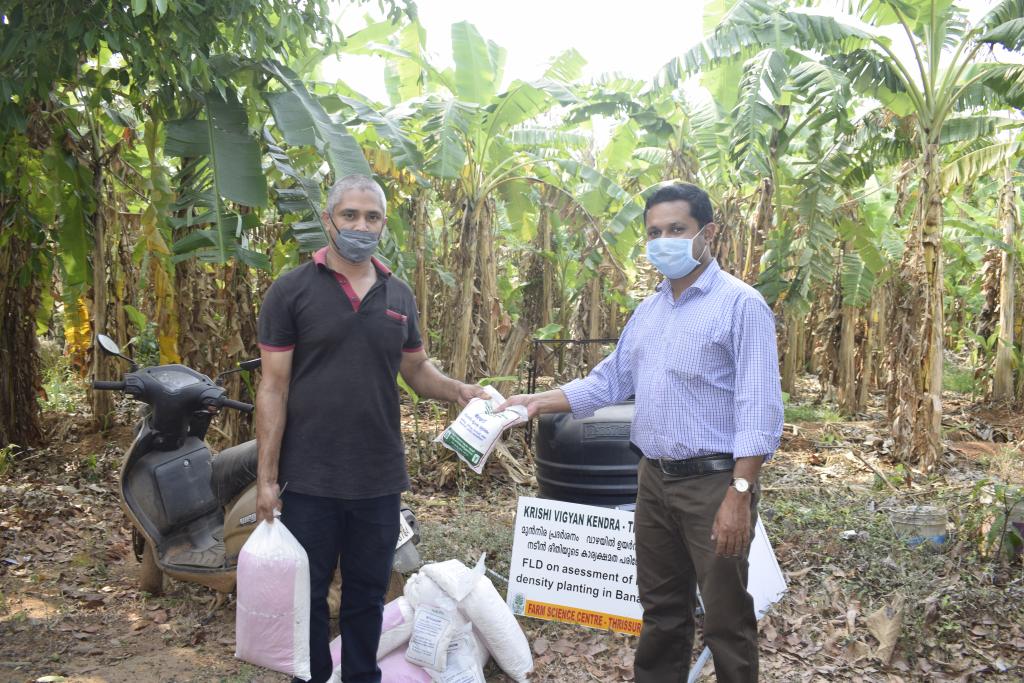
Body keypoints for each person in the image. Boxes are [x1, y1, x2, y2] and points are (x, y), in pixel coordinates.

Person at [501, 183, 783, 683]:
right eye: (654, 232)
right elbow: (608, 381)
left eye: (677, 229)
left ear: (708, 234)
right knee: (661, 611)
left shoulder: (740, 306)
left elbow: (758, 410)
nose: (663, 241)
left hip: (713, 484)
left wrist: (740, 492)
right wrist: (534, 403)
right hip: (652, 480)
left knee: (725, 618)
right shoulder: (650, 311)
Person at [255, 174, 488, 683]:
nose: (361, 226)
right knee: (309, 597)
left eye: (372, 217)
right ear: (328, 220)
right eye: (350, 216)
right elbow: (273, 388)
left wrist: (459, 391)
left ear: (383, 224)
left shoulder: (398, 293)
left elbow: (417, 370)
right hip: (309, 474)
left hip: (378, 475)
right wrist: (266, 478)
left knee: (367, 594)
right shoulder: (291, 291)